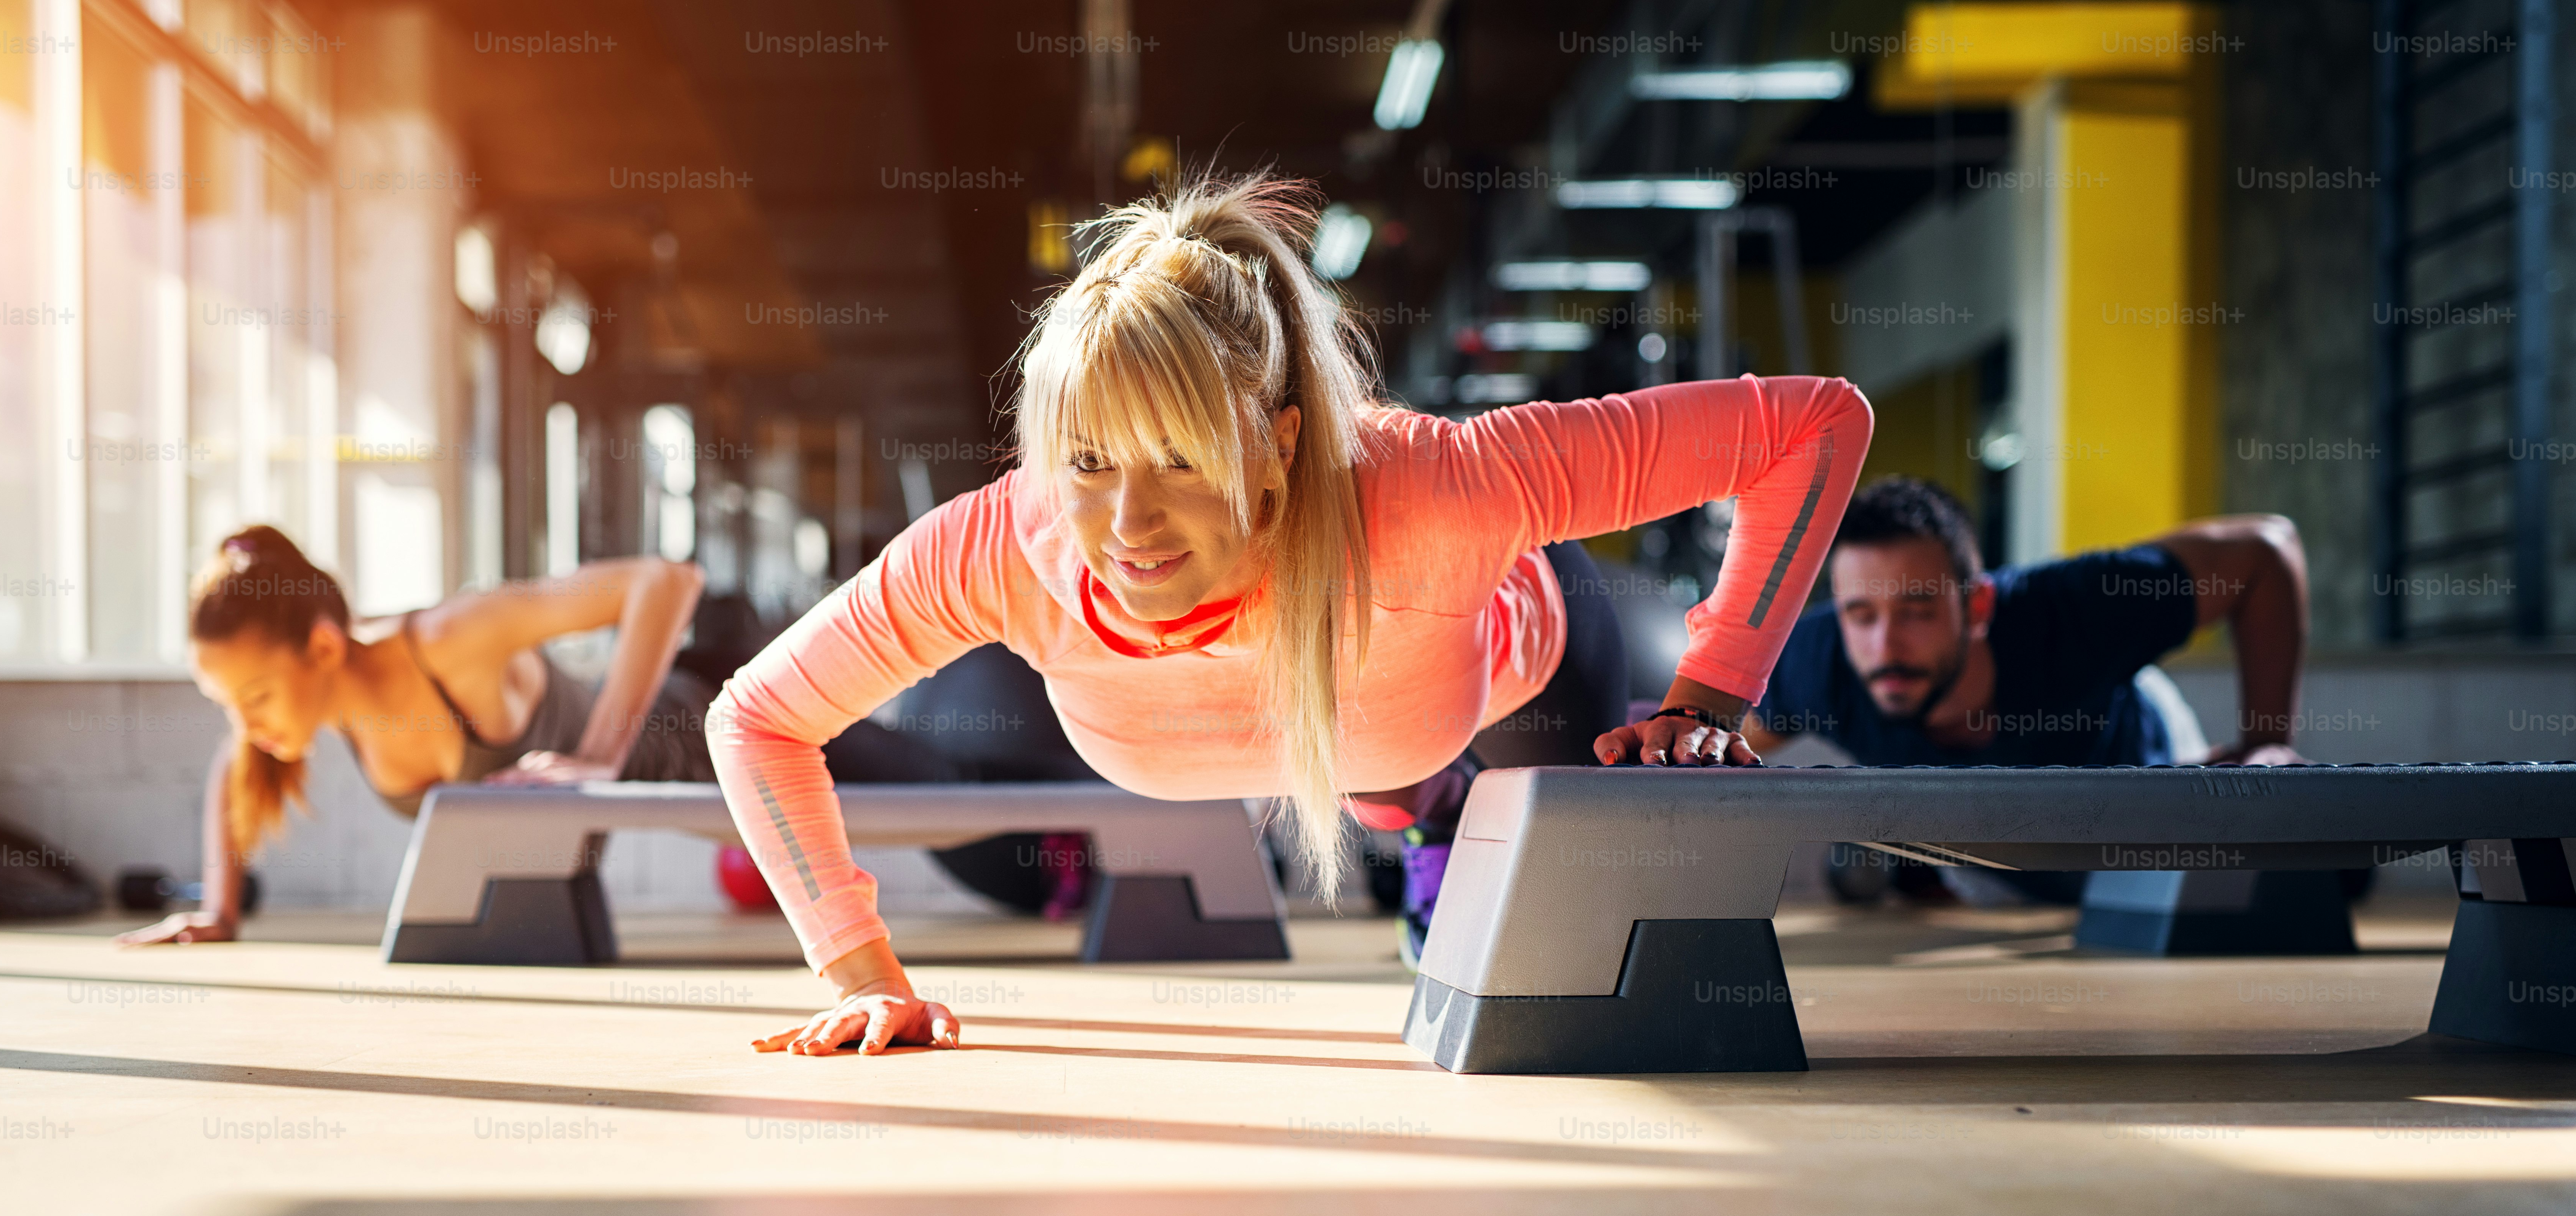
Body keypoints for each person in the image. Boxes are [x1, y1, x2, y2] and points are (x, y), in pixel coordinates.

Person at [706, 170, 1873, 1056]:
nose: (1126, 524)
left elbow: (1814, 425)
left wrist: (1710, 693)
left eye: (1179, 460)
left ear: (1277, 446)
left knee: (1562, 979)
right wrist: (859, 972)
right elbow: (755, 720)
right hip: (1361, 722)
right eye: (1089, 462)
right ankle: (1409, 802)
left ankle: (1426, 810)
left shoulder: (1436, 488)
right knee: (1377, 752)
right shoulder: (1001, 547)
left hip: (1519, 671)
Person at [119, 527, 1055, 945]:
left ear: (322, 646)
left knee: (952, 804)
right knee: (951, 812)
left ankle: (1095, 810)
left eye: (254, 695)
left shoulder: (447, 642)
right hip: (702, 789)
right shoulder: (296, 716)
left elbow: (665, 580)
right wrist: (219, 909)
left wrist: (600, 757)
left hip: (729, 720)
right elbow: (235, 764)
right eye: (229, 703)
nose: (247, 722)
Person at [1741, 475, 2309, 902]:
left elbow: (2265, 551)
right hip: (1986, 856)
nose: (1885, 646)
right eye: (1861, 615)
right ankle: (1906, 859)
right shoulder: (1816, 660)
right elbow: (1728, 742)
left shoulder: (2070, 611)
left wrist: (2265, 744)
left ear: (1978, 606)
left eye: (1917, 612)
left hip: (2143, 771)